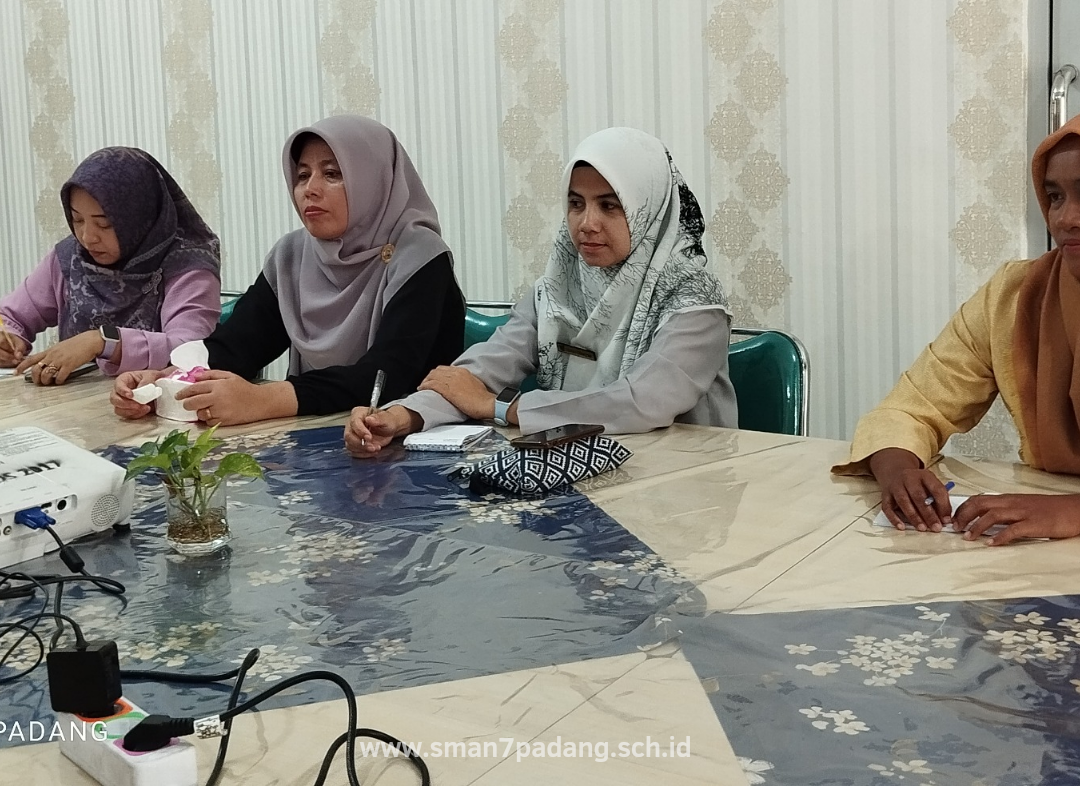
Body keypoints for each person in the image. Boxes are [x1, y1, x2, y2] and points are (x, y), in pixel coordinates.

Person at [345, 126, 736, 457]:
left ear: (649, 210)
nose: (586, 223)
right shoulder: (557, 286)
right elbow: (481, 371)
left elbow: (643, 402)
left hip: (685, 481)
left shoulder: (694, 297)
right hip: (578, 468)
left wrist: (499, 407)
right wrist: (399, 417)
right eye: (576, 203)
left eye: (610, 206)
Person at [110, 115, 464, 426]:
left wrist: (263, 400)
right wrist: (167, 382)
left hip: (410, 441)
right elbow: (238, 346)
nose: (310, 190)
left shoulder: (420, 255)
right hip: (317, 438)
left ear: (373, 180)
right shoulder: (293, 254)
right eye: (302, 175)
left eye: (332, 174)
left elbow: (386, 377)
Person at [833, 115, 1080, 546]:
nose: (1065, 219)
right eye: (1054, 197)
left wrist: (1073, 512)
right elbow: (911, 408)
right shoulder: (1017, 297)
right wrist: (899, 470)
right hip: (1040, 548)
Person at [0, 147, 221, 385]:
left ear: (139, 217)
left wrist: (103, 342)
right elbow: (11, 315)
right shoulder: (70, 256)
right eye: (77, 219)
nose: (87, 237)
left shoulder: (188, 265)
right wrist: (8, 338)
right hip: (72, 409)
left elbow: (188, 351)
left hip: (157, 410)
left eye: (104, 224)